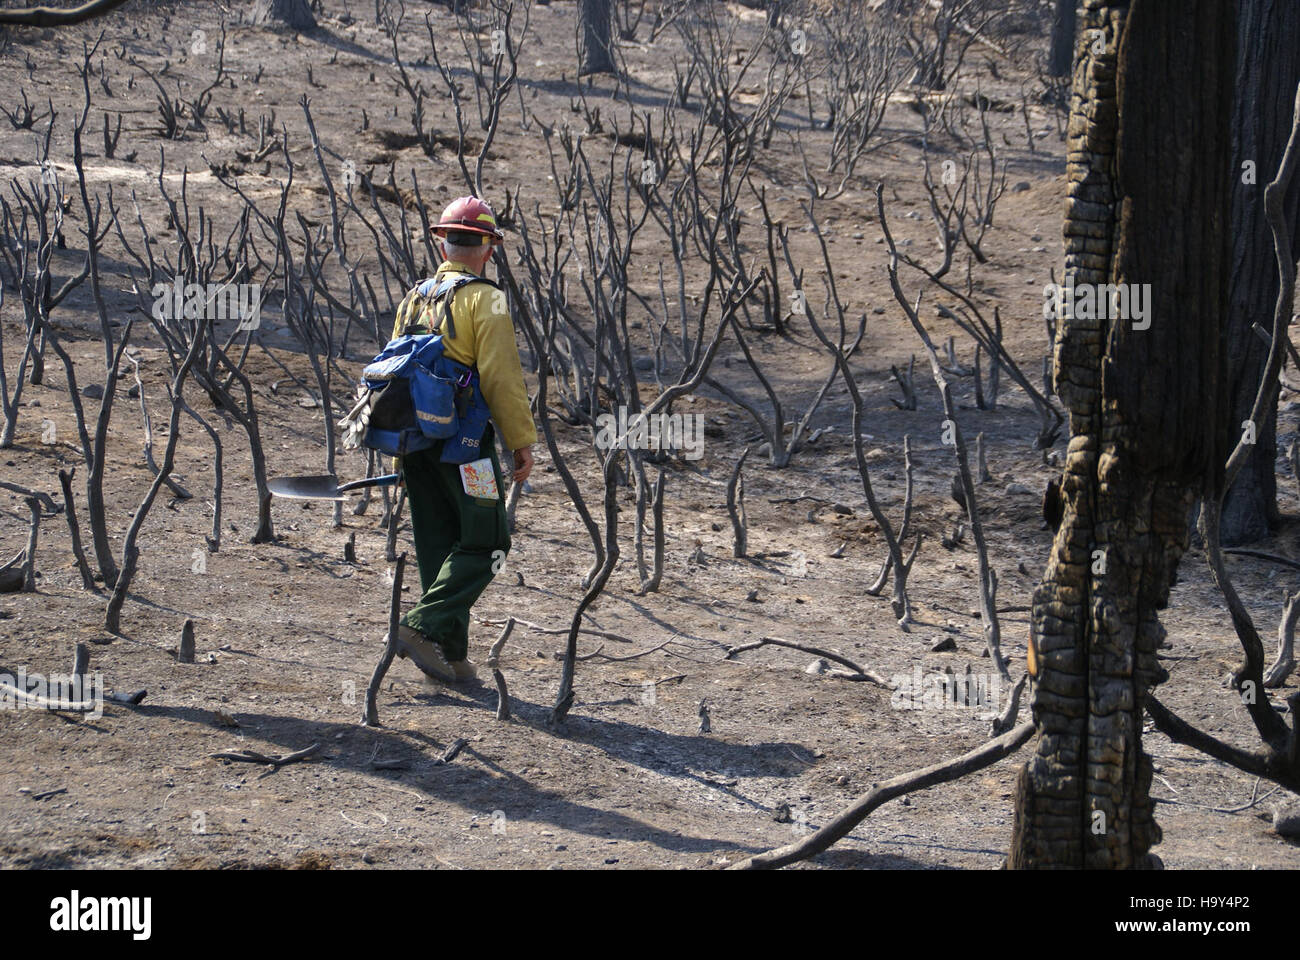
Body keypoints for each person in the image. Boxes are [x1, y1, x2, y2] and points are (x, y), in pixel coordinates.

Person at [388, 196, 536, 684]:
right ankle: (420, 627)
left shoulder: (416, 295)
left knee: (437, 545)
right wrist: (521, 441)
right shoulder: (486, 298)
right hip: (466, 448)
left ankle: (448, 659)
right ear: (489, 248)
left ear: (443, 241)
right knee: (488, 540)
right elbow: (501, 379)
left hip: (414, 444)